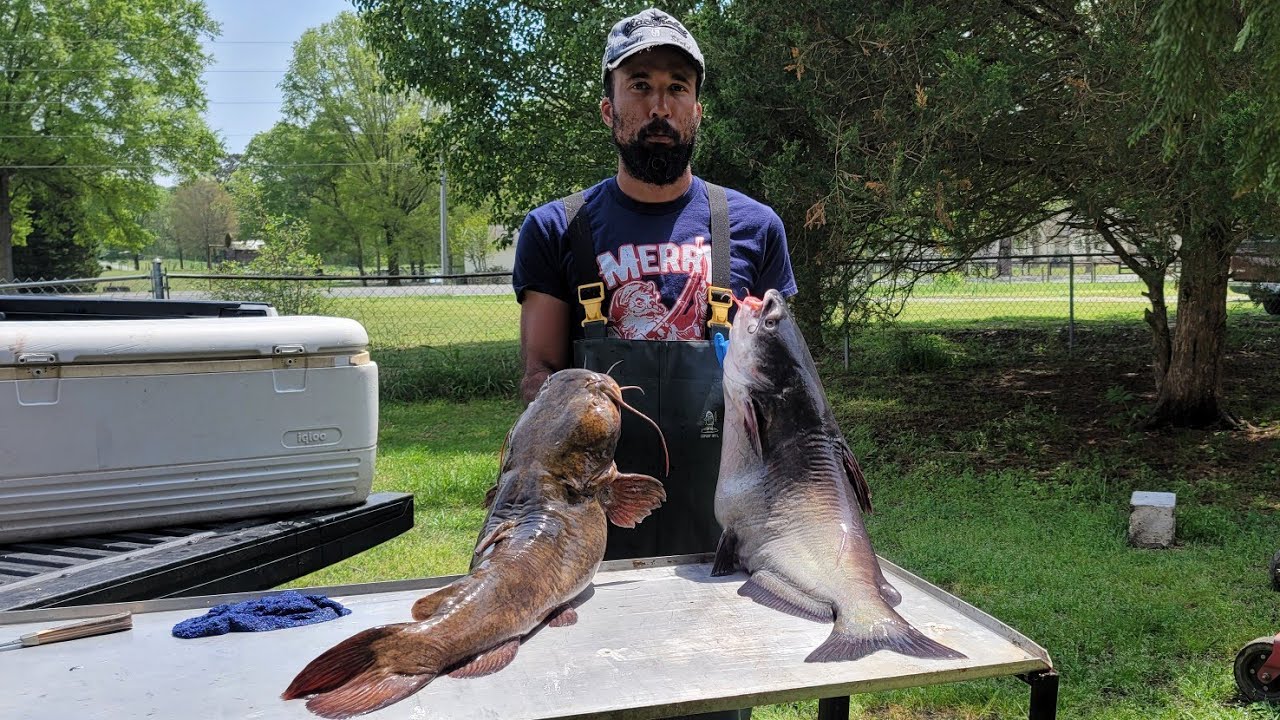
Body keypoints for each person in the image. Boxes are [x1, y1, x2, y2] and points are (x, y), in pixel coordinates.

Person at [514, 12, 796, 714]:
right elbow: (539, 379)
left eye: (677, 87)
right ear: (609, 107)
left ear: (698, 109)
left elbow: (783, 392)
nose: (659, 105)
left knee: (718, 697)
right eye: (639, 85)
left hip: (722, 534)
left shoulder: (755, 228)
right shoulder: (556, 229)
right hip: (588, 532)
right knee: (595, 695)